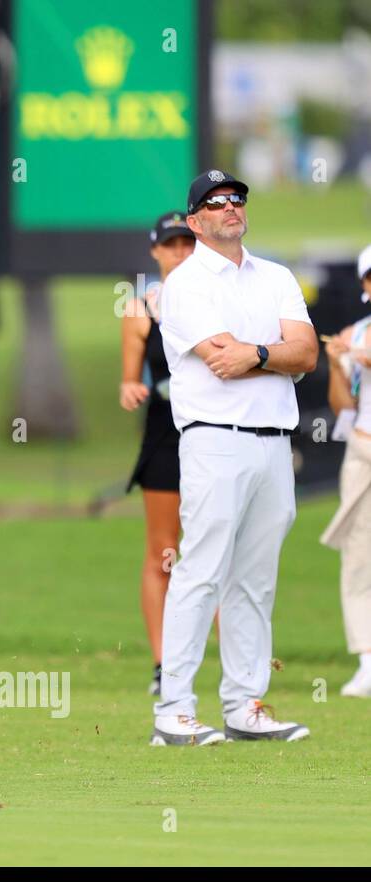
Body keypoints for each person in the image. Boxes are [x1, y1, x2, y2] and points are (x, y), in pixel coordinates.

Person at [153, 170, 318, 746]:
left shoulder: (275, 276)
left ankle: (244, 704)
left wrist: (260, 352)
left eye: (237, 199)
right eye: (216, 202)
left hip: (274, 441)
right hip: (214, 438)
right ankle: (173, 708)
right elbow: (220, 357)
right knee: (201, 571)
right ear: (195, 220)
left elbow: (308, 352)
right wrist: (272, 352)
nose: (230, 207)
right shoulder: (186, 282)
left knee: (255, 580)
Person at [120, 212, 195, 696]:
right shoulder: (141, 308)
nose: (181, 252)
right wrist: (131, 388)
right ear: (156, 251)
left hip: (216, 427)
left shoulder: (222, 297)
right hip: (167, 432)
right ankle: (163, 663)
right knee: (164, 552)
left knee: (219, 549)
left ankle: (234, 658)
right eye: (171, 245)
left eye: (188, 243)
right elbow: (130, 376)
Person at [318, 243, 371, 698]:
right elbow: (344, 407)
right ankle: (367, 661)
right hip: (363, 451)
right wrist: (339, 364)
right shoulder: (354, 333)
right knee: (358, 556)